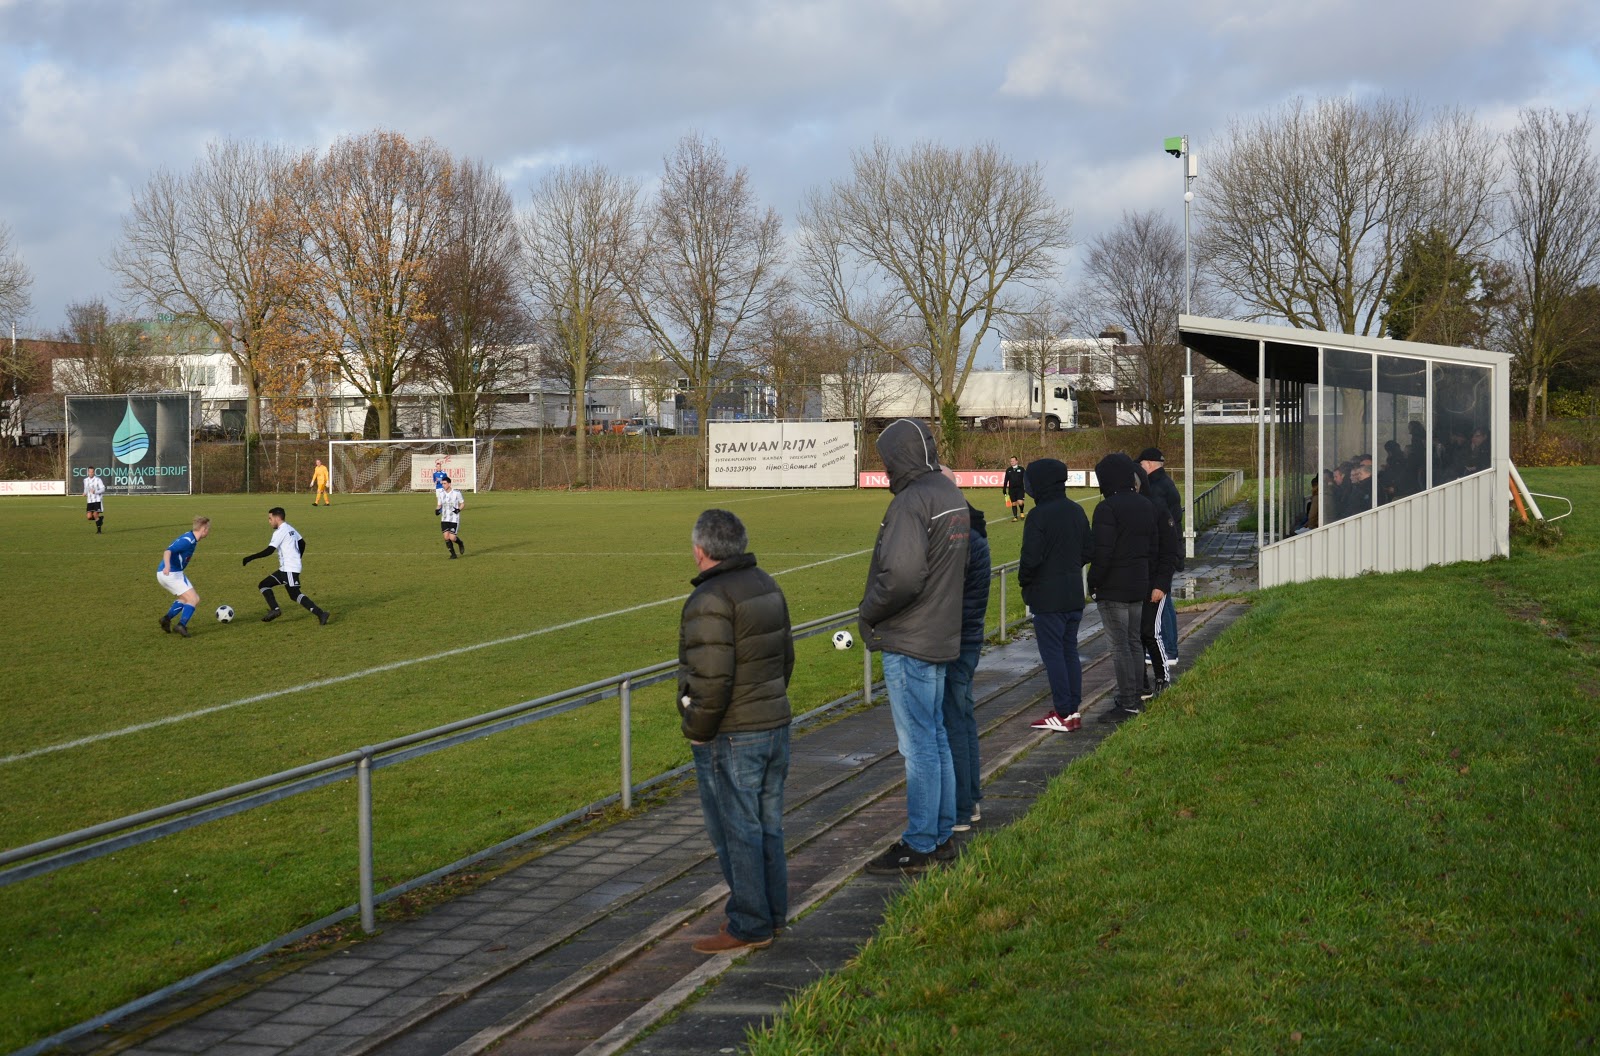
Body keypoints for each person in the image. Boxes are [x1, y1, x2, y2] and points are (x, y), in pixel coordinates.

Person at [678, 508, 794, 954]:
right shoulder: (767, 583)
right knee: (767, 825)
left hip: (733, 733)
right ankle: (771, 914)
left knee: (735, 829)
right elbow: (786, 658)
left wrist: (698, 730)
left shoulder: (709, 599)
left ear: (700, 550)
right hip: (773, 724)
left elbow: (710, 678)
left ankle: (749, 922)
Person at [858, 418, 969, 875]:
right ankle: (940, 835)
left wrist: (870, 612)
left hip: (911, 637)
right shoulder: (949, 493)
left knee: (919, 744)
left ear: (899, 456)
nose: (884, 469)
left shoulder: (912, 501)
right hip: (940, 632)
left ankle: (921, 842)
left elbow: (902, 576)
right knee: (936, 737)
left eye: (886, 460)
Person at [1019, 458, 1092, 733]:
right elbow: (1089, 549)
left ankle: (1063, 712)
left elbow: (1030, 559)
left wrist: (1025, 582)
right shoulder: (1076, 510)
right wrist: (1069, 566)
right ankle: (1071, 709)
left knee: (1054, 655)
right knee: (1069, 650)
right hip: (1074, 593)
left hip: (1048, 596)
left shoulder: (1039, 515)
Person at [1088, 453, 1157, 719]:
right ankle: (1136, 692)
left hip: (1114, 586)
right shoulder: (1145, 505)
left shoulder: (1107, 508)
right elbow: (1151, 547)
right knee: (1133, 641)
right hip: (1138, 583)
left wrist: (1093, 581)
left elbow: (1102, 552)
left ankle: (1128, 701)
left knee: (1120, 646)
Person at [940, 466, 989, 831]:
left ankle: (959, 807)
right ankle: (969, 800)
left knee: (953, 721)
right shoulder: (973, 530)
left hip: (951, 641)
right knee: (963, 718)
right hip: (965, 636)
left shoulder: (962, 536)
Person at [1135, 464, 1181, 700]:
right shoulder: (1129, 510)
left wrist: (1161, 584)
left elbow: (1169, 551)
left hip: (1153, 583)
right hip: (1134, 584)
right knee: (1135, 636)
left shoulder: (1158, 509)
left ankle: (1163, 678)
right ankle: (1141, 684)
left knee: (1150, 633)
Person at [243, 507, 329, 625]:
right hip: (285, 569)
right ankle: (275, 610)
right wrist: (298, 558)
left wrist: (250, 558)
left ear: (277, 518)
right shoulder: (290, 528)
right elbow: (302, 543)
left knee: (295, 594)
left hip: (289, 569)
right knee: (264, 585)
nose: (269, 521)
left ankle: (321, 613)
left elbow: (269, 551)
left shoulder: (280, 532)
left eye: (270, 518)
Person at [157, 516, 212, 638]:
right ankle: (181, 625)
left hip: (166, 574)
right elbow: (168, 551)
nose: (208, 532)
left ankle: (166, 619)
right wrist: (167, 566)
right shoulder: (187, 540)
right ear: (203, 529)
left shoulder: (190, 537)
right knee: (194, 599)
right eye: (208, 529)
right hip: (171, 573)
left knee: (185, 599)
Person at [439, 478, 466, 558]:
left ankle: (460, 543)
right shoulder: (441, 493)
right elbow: (439, 505)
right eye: (442, 484)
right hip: (444, 518)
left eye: (445, 483)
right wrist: (437, 510)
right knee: (446, 537)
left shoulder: (456, 493)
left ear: (449, 484)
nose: (443, 485)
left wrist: (458, 509)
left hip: (454, 519)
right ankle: (453, 555)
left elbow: (462, 503)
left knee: (452, 538)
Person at [1001, 455, 1027, 522]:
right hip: (1012, 489)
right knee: (1014, 503)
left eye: (1013, 461)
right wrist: (1004, 489)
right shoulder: (1008, 470)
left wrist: (1027, 486)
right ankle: (1015, 517)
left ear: (1016, 461)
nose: (1012, 462)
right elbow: (1006, 480)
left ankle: (1021, 512)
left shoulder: (1021, 469)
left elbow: (1026, 478)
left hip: (1020, 489)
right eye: (1011, 461)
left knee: (1020, 502)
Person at [83, 467, 105, 534]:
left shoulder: (98, 479)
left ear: (94, 472)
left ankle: (99, 530)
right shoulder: (85, 480)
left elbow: (103, 489)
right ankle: (100, 519)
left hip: (97, 500)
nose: (91, 473)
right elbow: (86, 489)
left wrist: (95, 491)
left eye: (92, 472)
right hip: (89, 500)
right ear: (88, 472)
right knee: (89, 517)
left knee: (95, 514)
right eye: (89, 472)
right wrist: (85, 493)